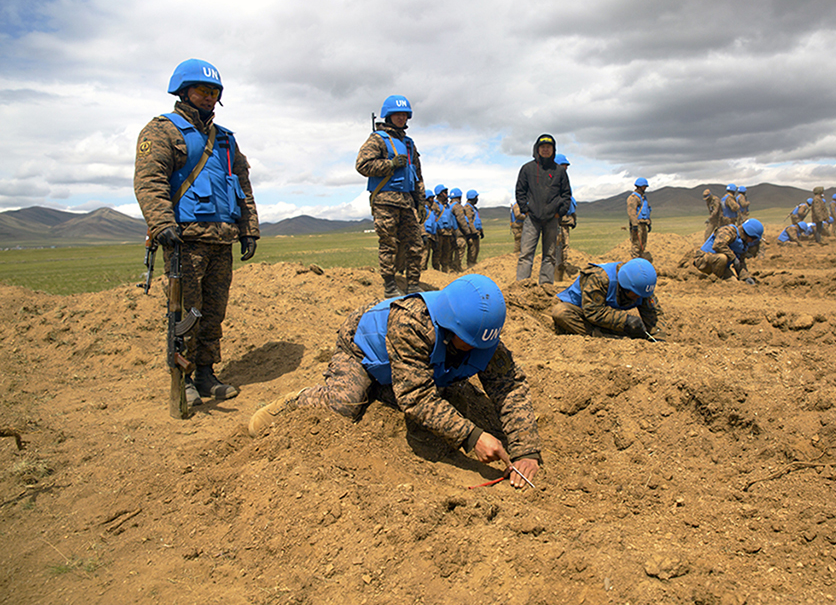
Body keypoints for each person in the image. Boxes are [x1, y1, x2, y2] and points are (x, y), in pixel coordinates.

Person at [248, 274, 542, 489]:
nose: (479, 350)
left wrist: (526, 450)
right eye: (470, 343)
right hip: (361, 349)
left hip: (409, 363)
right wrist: (472, 437)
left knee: (450, 399)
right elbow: (416, 397)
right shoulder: (411, 324)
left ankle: (384, 387)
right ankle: (293, 403)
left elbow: (510, 386)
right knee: (345, 404)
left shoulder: (480, 335)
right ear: (450, 326)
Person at [134, 58, 259, 407]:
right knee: (186, 313)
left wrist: (248, 229)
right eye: (202, 90)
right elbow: (149, 180)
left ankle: (206, 373)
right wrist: (162, 224)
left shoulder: (226, 139)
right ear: (183, 91)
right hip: (184, 240)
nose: (208, 97)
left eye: (214, 92)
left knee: (214, 314)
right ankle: (184, 377)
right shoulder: (162, 131)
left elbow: (243, 187)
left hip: (221, 239)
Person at [356, 95, 426, 298]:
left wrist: (420, 202)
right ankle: (389, 285)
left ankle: (413, 284)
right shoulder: (377, 139)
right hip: (385, 201)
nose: (401, 118)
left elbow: (417, 175)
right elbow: (362, 165)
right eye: (397, 114)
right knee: (389, 244)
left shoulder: (409, 144)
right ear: (388, 116)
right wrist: (390, 164)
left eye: (404, 115)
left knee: (415, 244)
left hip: (407, 202)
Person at [551, 259, 661, 338]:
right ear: (625, 286)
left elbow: (655, 315)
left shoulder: (641, 286)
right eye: (636, 294)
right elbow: (593, 311)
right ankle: (598, 335)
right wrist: (626, 320)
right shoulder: (599, 278)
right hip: (582, 311)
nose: (639, 297)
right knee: (560, 312)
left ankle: (610, 333)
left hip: (605, 315)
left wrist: (658, 338)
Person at [515, 134, 572, 285]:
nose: (545, 150)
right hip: (532, 219)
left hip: (552, 219)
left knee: (550, 255)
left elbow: (566, 194)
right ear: (537, 149)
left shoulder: (559, 171)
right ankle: (522, 286)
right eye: (543, 147)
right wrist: (526, 210)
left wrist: (560, 212)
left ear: (553, 150)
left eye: (548, 147)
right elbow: (520, 191)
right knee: (526, 254)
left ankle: (546, 286)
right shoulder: (527, 169)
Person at [692, 219, 764, 282]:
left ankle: (719, 278)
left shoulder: (744, 245)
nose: (752, 241)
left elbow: (740, 263)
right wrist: (733, 258)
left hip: (720, 267)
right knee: (722, 258)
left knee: (733, 283)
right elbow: (718, 245)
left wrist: (745, 277)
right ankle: (712, 278)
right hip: (703, 261)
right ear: (748, 234)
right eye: (753, 239)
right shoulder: (728, 231)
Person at [553, 155, 577, 282]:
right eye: (563, 165)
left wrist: (573, 218)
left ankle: (562, 272)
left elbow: (569, 201)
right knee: (556, 247)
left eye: (566, 166)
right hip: (557, 220)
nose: (566, 168)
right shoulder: (553, 181)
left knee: (564, 246)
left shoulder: (565, 181)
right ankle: (556, 275)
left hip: (565, 220)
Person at [433, 185, 458, 273]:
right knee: (438, 252)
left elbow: (451, 219)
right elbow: (434, 218)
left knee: (446, 252)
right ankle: (436, 270)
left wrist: (453, 230)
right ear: (440, 194)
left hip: (448, 232)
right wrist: (439, 229)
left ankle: (445, 269)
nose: (446, 194)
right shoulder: (435, 205)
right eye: (445, 192)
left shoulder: (448, 206)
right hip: (439, 232)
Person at [627, 178, 652, 259]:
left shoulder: (644, 198)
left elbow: (647, 210)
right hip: (637, 224)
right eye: (644, 187)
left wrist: (648, 222)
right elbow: (632, 212)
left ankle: (640, 260)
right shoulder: (633, 198)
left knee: (643, 244)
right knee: (636, 244)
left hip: (644, 223)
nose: (645, 188)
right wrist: (634, 225)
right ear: (639, 187)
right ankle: (635, 261)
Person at [450, 188, 473, 273]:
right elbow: (461, 220)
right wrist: (468, 233)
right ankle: (456, 268)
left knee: (450, 252)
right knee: (459, 251)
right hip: (458, 234)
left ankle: (451, 268)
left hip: (451, 233)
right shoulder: (457, 207)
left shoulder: (449, 206)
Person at [464, 190, 484, 268]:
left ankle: (473, 263)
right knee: (472, 250)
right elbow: (469, 221)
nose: (477, 199)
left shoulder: (474, 208)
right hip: (472, 233)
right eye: (476, 197)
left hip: (476, 232)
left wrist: (481, 231)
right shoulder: (467, 208)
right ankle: (470, 265)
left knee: (476, 250)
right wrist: (474, 232)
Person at [421, 189, 436, 271]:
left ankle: (424, 268)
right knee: (424, 253)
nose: (433, 200)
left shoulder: (432, 211)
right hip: (425, 234)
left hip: (431, 235)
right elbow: (420, 222)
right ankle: (421, 269)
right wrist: (423, 234)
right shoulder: (423, 210)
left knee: (427, 253)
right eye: (431, 198)